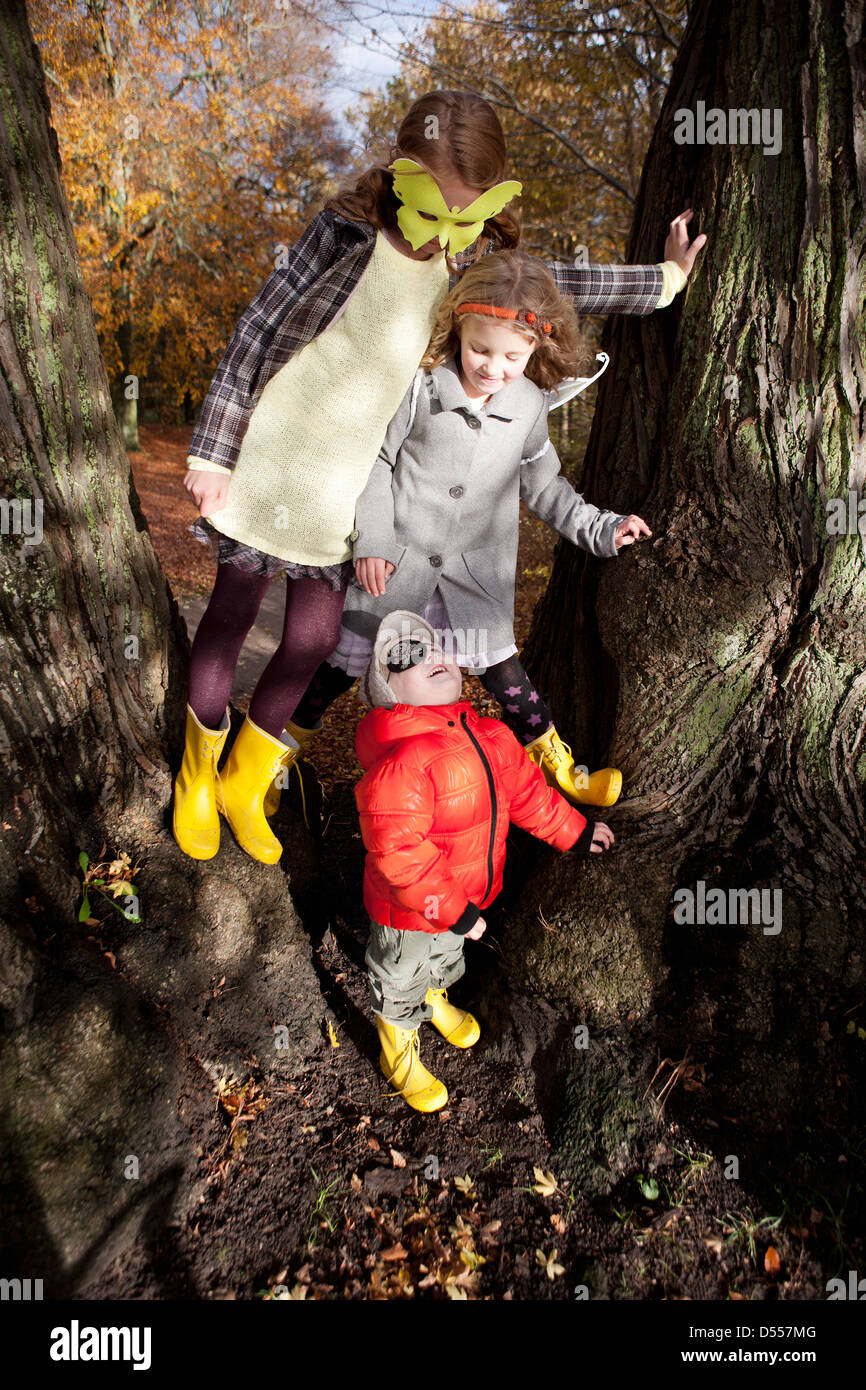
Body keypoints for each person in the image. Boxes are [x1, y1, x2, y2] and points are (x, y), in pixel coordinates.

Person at [174, 88, 704, 864]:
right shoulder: (343, 231)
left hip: (345, 490)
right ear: (399, 174)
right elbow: (257, 327)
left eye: (468, 212)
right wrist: (212, 451)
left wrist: (664, 281)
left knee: (312, 639)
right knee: (228, 619)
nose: (449, 230)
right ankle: (197, 777)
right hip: (268, 459)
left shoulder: (471, 265)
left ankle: (243, 784)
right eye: (435, 205)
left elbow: (558, 286)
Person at [291, 250, 652, 808]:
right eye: (480, 348)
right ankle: (274, 763)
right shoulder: (420, 387)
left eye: (512, 355)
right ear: (457, 325)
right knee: (341, 666)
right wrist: (376, 540)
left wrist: (601, 529)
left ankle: (564, 773)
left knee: (506, 676)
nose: (492, 367)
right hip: (396, 567)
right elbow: (377, 463)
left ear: (537, 346)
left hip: (475, 577)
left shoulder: (530, 406)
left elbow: (545, 486)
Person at [355, 611, 614, 1113]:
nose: (433, 655)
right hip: (410, 912)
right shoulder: (401, 761)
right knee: (400, 973)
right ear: (386, 690)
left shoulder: (493, 736)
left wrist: (577, 833)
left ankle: (433, 1002)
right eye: (407, 655)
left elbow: (530, 798)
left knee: (446, 959)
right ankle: (398, 1044)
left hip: (466, 902)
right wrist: (449, 907)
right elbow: (399, 855)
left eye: (438, 647)